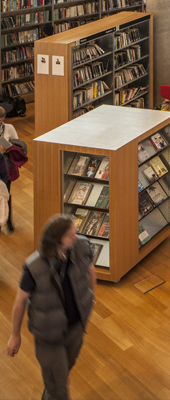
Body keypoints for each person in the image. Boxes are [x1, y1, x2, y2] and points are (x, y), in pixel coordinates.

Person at [7, 213, 96, 400]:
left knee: (60, 376)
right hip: (48, 337)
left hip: (75, 329)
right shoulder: (34, 267)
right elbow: (20, 301)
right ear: (57, 241)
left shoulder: (80, 247)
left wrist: (89, 301)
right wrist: (15, 335)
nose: (76, 237)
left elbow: (90, 271)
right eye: (71, 235)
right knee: (59, 389)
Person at [0, 104, 26, 233]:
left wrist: (5, 147)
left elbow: (18, 145)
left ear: (3, 118)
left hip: (5, 167)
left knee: (6, 195)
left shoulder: (9, 128)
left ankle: (8, 222)